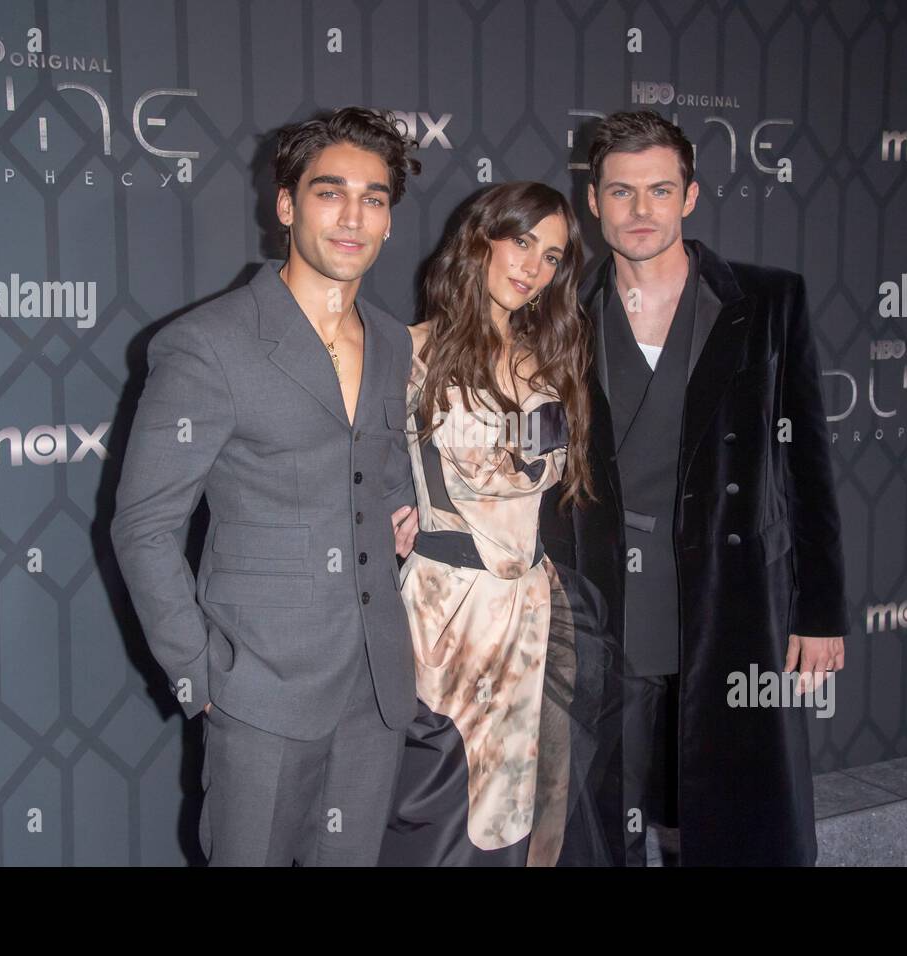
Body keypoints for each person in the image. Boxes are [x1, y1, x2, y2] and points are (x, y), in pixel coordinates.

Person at [110, 107, 423, 866]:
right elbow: (143, 527)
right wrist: (200, 673)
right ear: (285, 205)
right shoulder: (208, 345)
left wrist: (391, 513)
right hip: (259, 687)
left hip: (375, 683)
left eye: (374, 199)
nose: (353, 217)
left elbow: (370, 468)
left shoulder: (389, 338)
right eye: (330, 192)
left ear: (388, 221)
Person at [537, 110, 850, 866]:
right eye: (621, 192)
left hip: (732, 602)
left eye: (658, 190)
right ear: (594, 203)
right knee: (604, 816)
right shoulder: (558, 321)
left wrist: (820, 610)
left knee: (729, 818)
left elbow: (808, 465)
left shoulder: (770, 304)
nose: (640, 211)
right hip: (605, 608)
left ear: (691, 196)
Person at [378, 182, 622, 866]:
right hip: (445, 615)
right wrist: (390, 505)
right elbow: (355, 467)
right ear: (481, 239)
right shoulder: (403, 354)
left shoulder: (550, 364)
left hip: (533, 615)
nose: (532, 266)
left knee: (526, 811)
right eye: (521, 241)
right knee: (439, 812)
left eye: (551, 256)